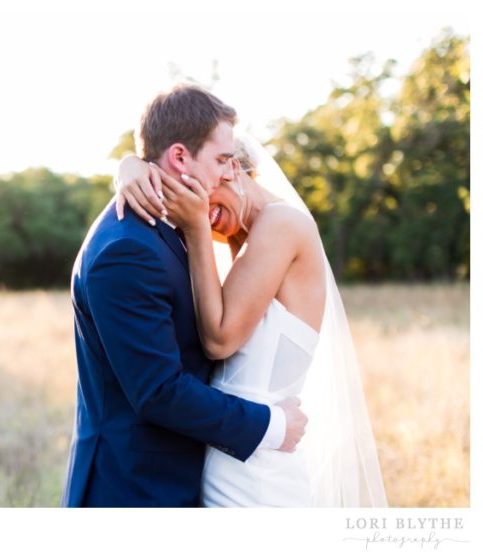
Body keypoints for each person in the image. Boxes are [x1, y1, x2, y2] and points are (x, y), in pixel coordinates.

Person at [61, 85, 308, 507]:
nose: (229, 173)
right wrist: (272, 427)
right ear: (179, 157)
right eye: (222, 160)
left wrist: (131, 165)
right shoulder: (127, 249)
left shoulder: (169, 226)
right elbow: (159, 391)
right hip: (134, 491)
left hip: (178, 482)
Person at [115, 125, 387, 506]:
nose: (199, 211)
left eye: (200, 193)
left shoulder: (281, 223)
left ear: (231, 170)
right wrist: (128, 167)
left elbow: (218, 339)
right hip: (236, 451)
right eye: (188, 197)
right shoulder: (241, 238)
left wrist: (195, 228)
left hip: (258, 472)